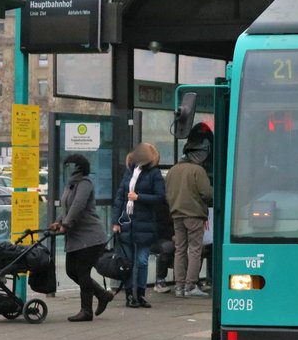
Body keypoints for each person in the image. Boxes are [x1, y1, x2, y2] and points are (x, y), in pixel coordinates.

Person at [50, 154, 115, 322]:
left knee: (82, 272)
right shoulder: (71, 184)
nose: (67, 169)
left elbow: (78, 205)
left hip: (90, 237)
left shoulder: (85, 183)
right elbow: (67, 208)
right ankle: (102, 294)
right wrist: (58, 222)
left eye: (70, 166)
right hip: (76, 238)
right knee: (71, 271)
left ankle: (86, 310)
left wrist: (66, 224)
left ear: (79, 167)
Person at [112, 143, 166, 307]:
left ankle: (141, 294)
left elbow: (160, 197)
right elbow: (120, 198)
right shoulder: (129, 173)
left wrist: (139, 197)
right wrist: (115, 221)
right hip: (127, 222)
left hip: (145, 224)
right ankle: (129, 295)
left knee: (142, 261)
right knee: (128, 262)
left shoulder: (154, 174)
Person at [166, 138, 214, 298]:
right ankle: (190, 286)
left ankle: (179, 286)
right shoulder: (197, 171)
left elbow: (167, 193)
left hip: (177, 214)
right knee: (195, 250)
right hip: (194, 214)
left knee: (179, 250)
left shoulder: (173, 170)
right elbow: (207, 193)